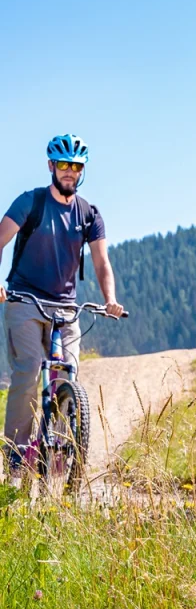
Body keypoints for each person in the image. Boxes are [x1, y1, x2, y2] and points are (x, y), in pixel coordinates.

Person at [0, 133, 124, 475]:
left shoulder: (89, 214)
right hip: (24, 300)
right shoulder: (31, 202)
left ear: (82, 171)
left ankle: (62, 451)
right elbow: (0, 238)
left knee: (68, 372)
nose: (70, 172)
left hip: (66, 308)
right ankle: (16, 454)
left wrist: (110, 299)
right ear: (51, 166)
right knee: (27, 371)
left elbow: (101, 263)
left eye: (76, 166)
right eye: (64, 165)